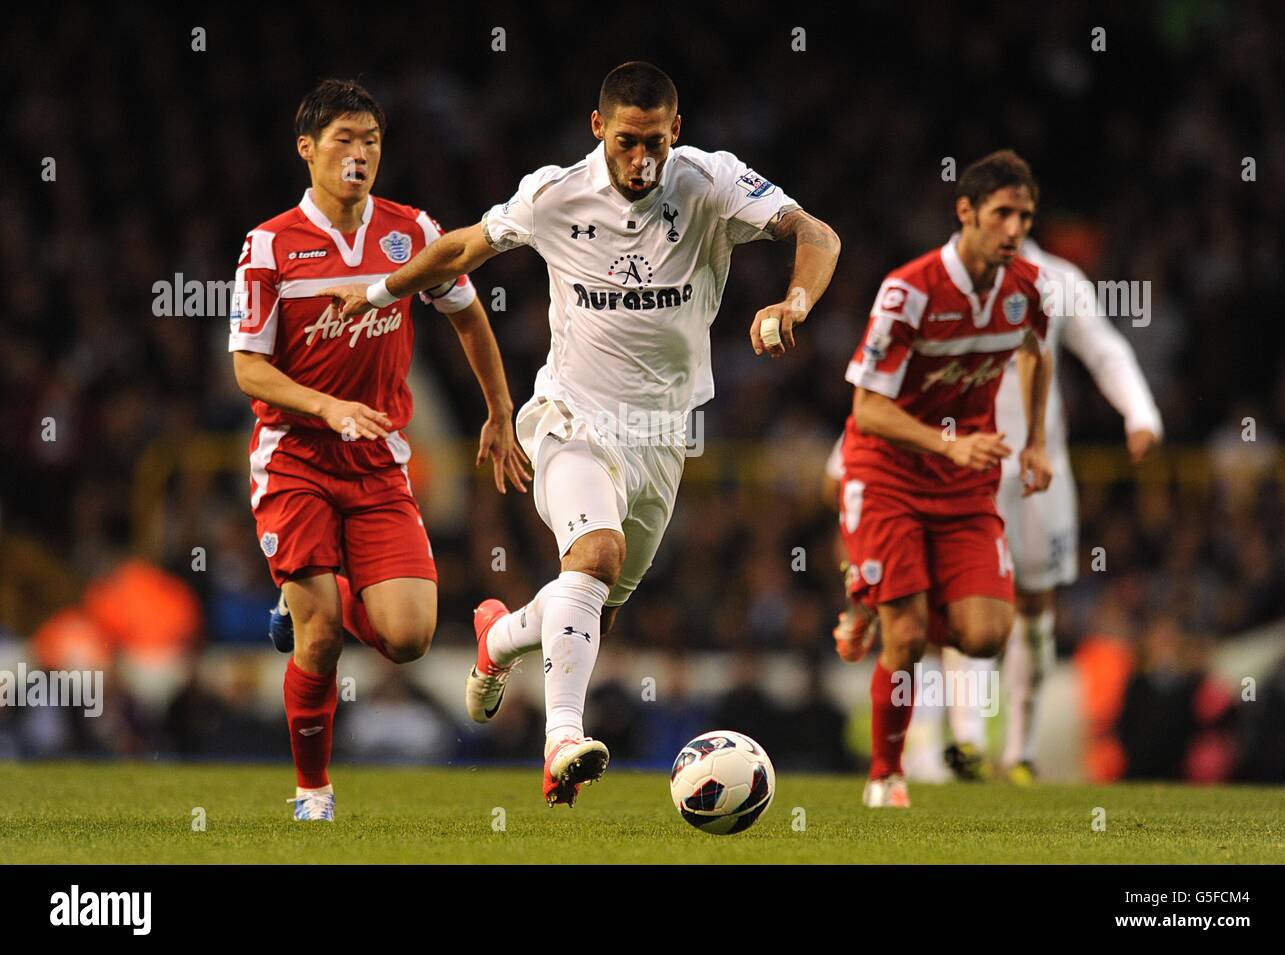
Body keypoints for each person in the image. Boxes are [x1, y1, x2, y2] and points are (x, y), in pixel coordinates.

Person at [325, 61, 840, 806]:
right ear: (599, 128)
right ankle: (562, 737)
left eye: (656, 142)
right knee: (595, 555)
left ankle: (498, 639)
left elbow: (815, 232)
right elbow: (463, 249)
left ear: (677, 132)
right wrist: (377, 290)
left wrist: (794, 300)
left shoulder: (710, 182)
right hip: (572, 417)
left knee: (595, 600)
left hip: (662, 438)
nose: (643, 160)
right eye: (628, 141)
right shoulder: (554, 193)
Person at [229, 79, 530, 821]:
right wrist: (327, 405)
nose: (359, 154)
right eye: (343, 140)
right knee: (322, 634)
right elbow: (248, 366)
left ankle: (307, 609)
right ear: (308, 150)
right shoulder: (269, 245)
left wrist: (499, 408)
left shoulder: (411, 231)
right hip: (294, 457)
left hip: (379, 463)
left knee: (408, 638)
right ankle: (313, 791)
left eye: (371, 140)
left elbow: (466, 315)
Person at [836, 150, 1054, 808]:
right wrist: (949, 444)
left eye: (1024, 216)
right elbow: (866, 408)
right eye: (1001, 214)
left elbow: (1035, 354)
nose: (1013, 228)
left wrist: (1037, 440)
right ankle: (885, 774)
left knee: (987, 635)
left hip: (963, 488)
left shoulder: (1029, 288)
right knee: (905, 638)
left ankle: (872, 596)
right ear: (966, 212)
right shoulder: (911, 289)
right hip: (889, 474)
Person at [942, 235, 1162, 785]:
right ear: (969, 211)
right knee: (972, 602)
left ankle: (1020, 749)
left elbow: (1104, 349)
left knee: (1035, 607)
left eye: (1017, 208)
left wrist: (1140, 413)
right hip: (971, 463)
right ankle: (967, 741)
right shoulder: (941, 277)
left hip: (1044, 470)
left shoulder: (1059, 280)